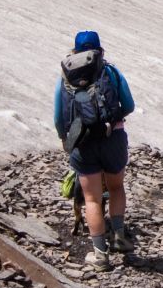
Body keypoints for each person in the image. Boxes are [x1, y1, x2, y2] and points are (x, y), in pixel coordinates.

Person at [53, 30, 135, 270]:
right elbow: (128, 104)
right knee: (116, 186)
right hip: (112, 137)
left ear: (75, 50)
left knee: (91, 198)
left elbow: (59, 116)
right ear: (100, 49)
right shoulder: (109, 71)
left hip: (82, 142)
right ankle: (119, 236)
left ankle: (100, 255)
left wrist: (64, 138)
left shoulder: (65, 76)